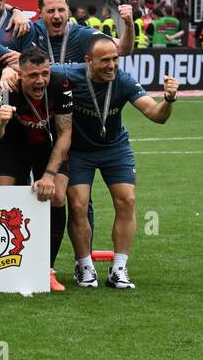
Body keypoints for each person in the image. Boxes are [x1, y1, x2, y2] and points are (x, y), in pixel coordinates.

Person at [44, 35, 178, 289]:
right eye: (105, 60)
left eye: (115, 59)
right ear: (88, 61)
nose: (112, 66)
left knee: (127, 199)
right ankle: (84, 266)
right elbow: (35, 69)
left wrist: (168, 99)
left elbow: (156, 115)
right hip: (79, 151)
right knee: (79, 204)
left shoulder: (123, 80)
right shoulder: (67, 74)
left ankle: (119, 268)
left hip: (114, 147)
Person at [0, 47, 74, 292]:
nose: (41, 80)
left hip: (46, 146)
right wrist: (2, 121)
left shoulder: (59, 83)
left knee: (57, 195)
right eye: (33, 75)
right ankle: (4, 265)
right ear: (20, 75)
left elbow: (65, 132)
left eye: (44, 74)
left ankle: (46, 269)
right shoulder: (6, 87)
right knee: (2, 197)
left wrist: (48, 175)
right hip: (12, 145)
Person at [27, 0, 132, 62]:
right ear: (40, 13)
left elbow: (123, 49)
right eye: (51, 11)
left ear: (68, 11)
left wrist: (129, 25)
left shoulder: (82, 35)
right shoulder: (30, 32)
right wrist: (14, 10)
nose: (57, 16)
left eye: (61, 10)